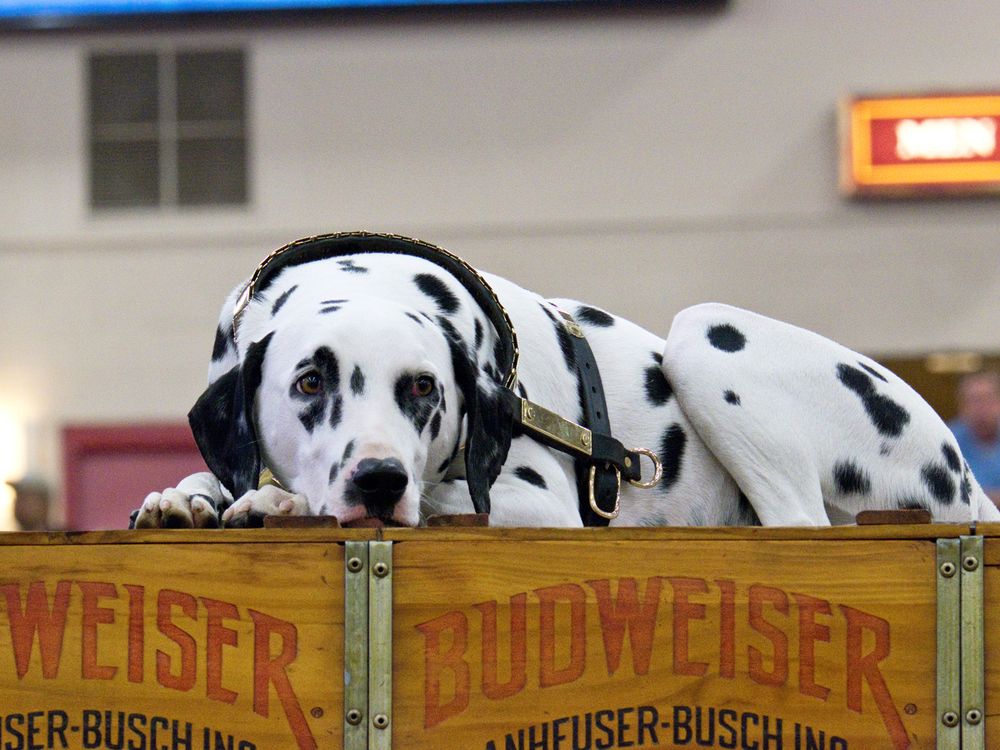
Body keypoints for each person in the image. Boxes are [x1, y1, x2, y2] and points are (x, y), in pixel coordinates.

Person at [949, 371, 1000, 505]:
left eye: (987, 399)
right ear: (961, 406)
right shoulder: (948, 441)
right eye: (973, 401)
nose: (981, 408)